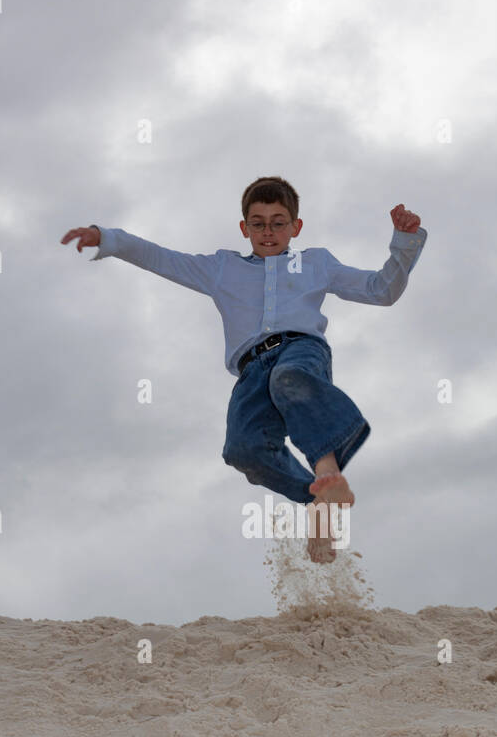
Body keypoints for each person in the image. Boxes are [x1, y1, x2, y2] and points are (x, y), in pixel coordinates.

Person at [61, 176, 426, 562]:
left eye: (278, 222)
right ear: (245, 227)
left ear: (296, 227)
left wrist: (404, 243)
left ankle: (328, 473)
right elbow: (161, 258)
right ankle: (317, 504)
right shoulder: (222, 269)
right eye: (258, 223)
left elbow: (381, 290)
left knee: (290, 379)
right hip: (251, 371)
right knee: (243, 450)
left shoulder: (316, 263)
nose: (268, 231)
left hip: (301, 351)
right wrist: (106, 237)